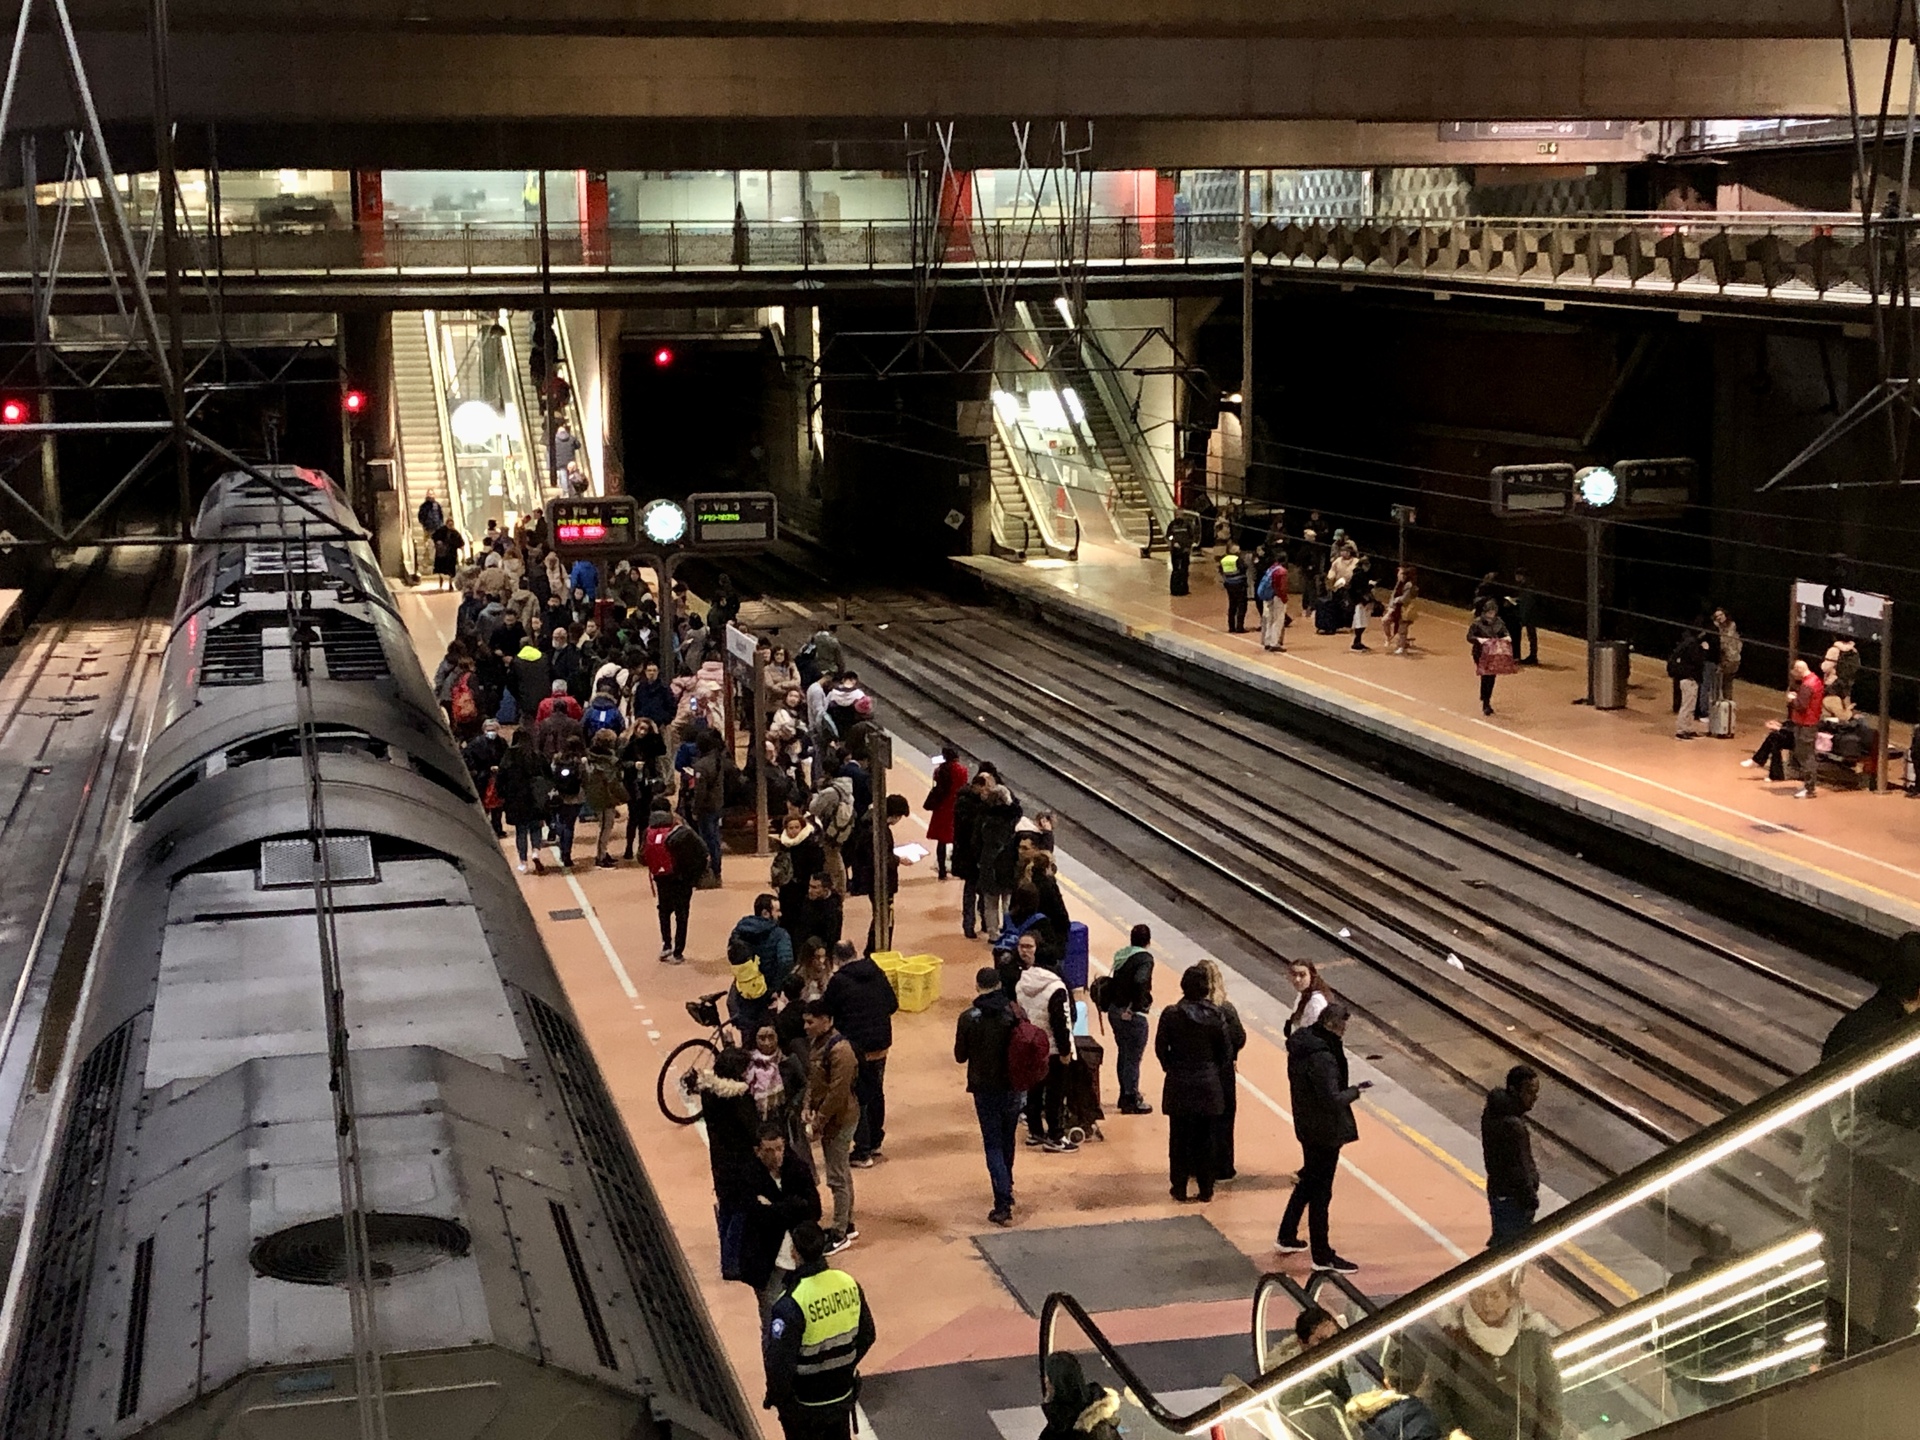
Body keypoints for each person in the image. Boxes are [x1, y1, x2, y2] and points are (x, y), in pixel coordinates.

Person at [1802, 933, 1920, 1358]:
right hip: (1849, 1201)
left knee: (1898, 1316)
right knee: (1854, 1320)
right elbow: (1850, 1123)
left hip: (1896, 1205)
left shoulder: (1906, 1030)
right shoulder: (1866, 1036)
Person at [1398, 1271, 1563, 1440]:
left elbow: (1550, 1399)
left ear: (1510, 1298)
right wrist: (1452, 1432)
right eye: (1479, 1295)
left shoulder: (1532, 1337)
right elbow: (1436, 1392)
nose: (1487, 1303)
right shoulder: (1453, 1334)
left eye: (1495, 1295)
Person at [761, 1221, 875, 1440]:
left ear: (794, 1253)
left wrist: (780, 1400)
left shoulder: (790, 1303)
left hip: (806, 1403)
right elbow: (868, 1335)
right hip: (842, 1394)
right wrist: (843, 1366)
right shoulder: (848, 1283)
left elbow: (779, 1364)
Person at [1277, 1001, 1367, 1272]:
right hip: (1324, 1131)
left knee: (1309, 1182)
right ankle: (1322, 1254)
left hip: (1307, 1124)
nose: (1343, 1032)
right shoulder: (1323, 1056)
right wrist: (1355, 1091)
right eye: (1342, 1027)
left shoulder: (1302, 1046)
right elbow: (1331, 1098)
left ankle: (1287, 1235)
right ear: (1333, 1025)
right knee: (1321, 1191)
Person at [955, 964, 1024, 1226]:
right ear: (998, 985)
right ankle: (1008, 1184)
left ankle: (1002, 1202)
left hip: (984, 1089)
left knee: (993, 1143)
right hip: (1012, 1086)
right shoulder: (1015, 1012)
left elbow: (960, 1056)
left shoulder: (968, 1017)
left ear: (977, 987)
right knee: (1008, 1139)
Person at [1156, 964, 1230, 1203]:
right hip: (1208, 1084)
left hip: (1178, 1082)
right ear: (1206, 988)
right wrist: (1211, 1069)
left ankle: (1179, 1187)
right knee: (1206, 1139)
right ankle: (1206, 1189)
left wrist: (1171, 1067)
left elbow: (1160, 1048)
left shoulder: (1171, 1014)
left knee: (1178, 1138)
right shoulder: (1216, 1016)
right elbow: (1225, 1052)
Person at [824, 945, 899, 1168]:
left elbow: (827, 1010)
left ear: (836, 959)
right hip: (881, 1044)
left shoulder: (838, 982)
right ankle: (876, 1141)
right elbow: (893, 1004)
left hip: (857, 1049)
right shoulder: (876, 971)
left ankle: (863, 1150)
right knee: (877, 1091)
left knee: (859, 1097)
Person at [739, 1124, 822, 1322]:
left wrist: (774, 1208)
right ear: (757, 1152)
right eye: (769, 1150)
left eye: (779, 1149)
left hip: (801, 1255)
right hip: (768, 1261)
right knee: (772, 1321)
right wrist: (793, 1206)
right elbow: (757, 1217)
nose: (776, 1155)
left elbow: (814, 1210)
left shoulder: (798, 1168)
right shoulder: (748, 1175)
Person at [696, 1048, 761, 1291]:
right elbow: (751, 1129)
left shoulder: (708, 1092)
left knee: (726, 1210)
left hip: (720, 1160)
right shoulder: (738, 1097)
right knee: (741, 1210)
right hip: (740, 1162)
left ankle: (727, 1255)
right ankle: (731, 1262)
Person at [803, 1000, 861, 1252]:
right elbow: (813, 1080)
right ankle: (846, 1223)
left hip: (840, 1119)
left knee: (837, 1177)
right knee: (841, 1171)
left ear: (826, 1020)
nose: (806, 1027)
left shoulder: (841, 1051)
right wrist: (807, 1105)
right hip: (829, 1118)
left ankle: (839, 1234)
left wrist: (819, 1120)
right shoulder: (819, 1043)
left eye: (810, 1021)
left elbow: (837, 1092)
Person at [1013, 932, 1078, 1153]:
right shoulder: (1056, 988)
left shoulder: (1022, 982)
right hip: (1052, 1048)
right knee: (1055, 1093)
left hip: (1031, 1045)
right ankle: (1055, 1136)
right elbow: (1061, 1021)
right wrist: (1065, 1050)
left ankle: (1035, 1132)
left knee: (1033, 1090)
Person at [1482, 1065, 1542, 1246]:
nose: (1534, 1098)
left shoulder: (1493, 1111)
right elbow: (1518, 1167)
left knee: (1503, 1242)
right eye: (1530, 1092)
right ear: (1514, 1091)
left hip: (1498, 1192)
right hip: (1514, 1200)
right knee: (1512, 1249)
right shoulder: (1513, 1125)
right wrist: (1531, 1199)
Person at [1200, 958, 1248, 1182]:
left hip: (1197, 1070)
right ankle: (1223, 1167)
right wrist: (1231, 1054)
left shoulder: (1184, 1008)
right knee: (1224, 1118)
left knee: (1198, 1120)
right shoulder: (1225, 1009)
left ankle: (1197, 1165)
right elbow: (1239, 1036)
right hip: (1222, 1071)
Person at [729, 894, 796, 1047]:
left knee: (747, 1034)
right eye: (777, 911)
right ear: (766, 913)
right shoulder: (780, 935)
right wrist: (777, 988)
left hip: (744, 989)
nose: (780, 914)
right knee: (766, 1038)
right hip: (766, 992)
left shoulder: (740, 930)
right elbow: (786, 961)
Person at [642, 806, 707, 963]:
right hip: (682, 879)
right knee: (681, 914)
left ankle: (666, 945)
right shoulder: (683, 832)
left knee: (664, 911)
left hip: (661, 878)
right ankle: (678, 952)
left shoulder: (648, 832)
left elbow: (642, 857)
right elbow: (702, 851)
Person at [1102, 925, 1155, 1115]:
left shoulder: (1121, 955)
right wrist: (1134, 1008)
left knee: (1123, 1053)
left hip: (1115, 1011)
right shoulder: (1145, 959)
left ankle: (1124, 1094)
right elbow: (1140, 981)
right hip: (1130, 1014)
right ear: (1148, 941)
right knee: (1133, 1056)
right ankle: (1131, 1098)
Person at [974, 772, 1022, 936]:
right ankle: (1009, 930)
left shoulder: (984, 817)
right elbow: (1017, 810)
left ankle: (993, 933)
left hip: (988, 863)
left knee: (990, 902)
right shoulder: (1010, 820)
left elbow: (976, 841)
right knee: (1008, 901)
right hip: (1007, 863)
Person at [1037, 1353, 1124, 1440]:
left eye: (1047, 1377)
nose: (1045, 1381)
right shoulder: (1101, 1415)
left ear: (1054, 1384)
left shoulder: (1061, 1427)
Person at [497, 727, 549, 873]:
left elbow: (501, 777)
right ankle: (536, 852)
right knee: (536, 827)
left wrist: (502, 795)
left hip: (515, 800)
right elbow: (548, 776)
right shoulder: (537, 755)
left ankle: (523, 863)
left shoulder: (509, 756)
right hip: (535, 798)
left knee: (521, 831)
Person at [951, 770, 989, 939]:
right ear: (978, 787)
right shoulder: (971, 805)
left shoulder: (962, 800)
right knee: (975, 890)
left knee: (974, 890)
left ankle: (976, 923)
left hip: (967, 854)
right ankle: (973, 924)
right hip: (972, 855)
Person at [924, 744, 969, 881]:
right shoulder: (962, 771)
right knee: (957, 839)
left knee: (941, 841)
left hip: (942, 807)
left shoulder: (939, 770)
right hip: (957, 806)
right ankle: (957, 868)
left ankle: (942, 871)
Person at [1468, 598, 1516, 717]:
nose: (1491, 615)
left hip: (1494, 654)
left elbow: (1505, 633)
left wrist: (1506, 638)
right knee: (1486, 675)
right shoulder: (1477, 623)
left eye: (1493, 613)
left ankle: (1486, 698)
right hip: (1480, 653)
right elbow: (1469, 637)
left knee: (1491, 677)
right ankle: (1485, 701)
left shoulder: (1499, 622)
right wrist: (1479, 639)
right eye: (1489, 612)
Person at [690, 729, 728, 877]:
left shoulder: (702, 765)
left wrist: (695, 809)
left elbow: (700, 791)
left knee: (707, 839)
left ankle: (712, 870)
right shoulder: (718, 758)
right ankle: (717, 868)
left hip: (706, 807)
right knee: (715, 838)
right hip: (717, 803)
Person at [462, 718, 508, 838]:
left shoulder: (502, 743)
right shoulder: (476, 743)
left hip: (497, 779)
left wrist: (500, 768)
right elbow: (467, 757)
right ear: (484, 730)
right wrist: (479, 770)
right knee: (482, 805)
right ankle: (482, 830)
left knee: (498, 806)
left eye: (494, 730)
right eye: (489, 730)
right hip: (482, 778)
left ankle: (497, 828)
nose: (491, 732)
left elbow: (507, 758)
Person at [547, 736, 587, 870]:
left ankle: (557, 832)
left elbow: (551, 774)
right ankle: (567, 855)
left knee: (561, 822)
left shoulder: (557, 758)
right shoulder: (581, 761)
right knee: (570, 825)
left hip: (560, 796)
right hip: (576, 797)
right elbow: (587, 777)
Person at [1284, 959, 1335, 1036]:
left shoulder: (1316, 1001)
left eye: (1302, 975)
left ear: (1311, 975)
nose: (1297, 979)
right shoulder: (1303, 994)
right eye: (1294, 974)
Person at [1257, 552, 1289, 651]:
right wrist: (1284, 598)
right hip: (1277, 597)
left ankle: (1267, 641)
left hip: (1268, 596)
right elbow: (1282, 588)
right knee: (1278, 620)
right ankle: (1274, 643)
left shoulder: (1271, 568)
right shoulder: (1282, 571)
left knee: (1269, 619)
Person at [1384, 566, 1418, 655]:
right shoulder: (1399, 583)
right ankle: (1390, 638)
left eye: (1400, 574)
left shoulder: (1409, 585)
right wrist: (1391, 605)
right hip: (1396, 609)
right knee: (1385, 621)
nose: (1398, 575)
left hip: (1405, 609)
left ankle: (1402, 647)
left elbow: (1405, 599)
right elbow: (1393, 594)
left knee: (1402, 628)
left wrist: (1396, 600)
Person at [1219, 541, 1249, 634]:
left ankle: (1231, 627)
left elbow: (1221, 570)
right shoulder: (1237, 559)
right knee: (1242, 605)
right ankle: (1240, 627)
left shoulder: (1223, 559)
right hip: (1239, 583)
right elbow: (1243, 568)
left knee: (1232, 605)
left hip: (1229, 584)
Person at [1512, 568, 1539, 664]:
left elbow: (1527, 602)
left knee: (1531, 634)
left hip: (1530, 614)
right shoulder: (1526, 586)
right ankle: (1533, 655)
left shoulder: (1528, 587)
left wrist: (1523, 617)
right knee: (1531, 634)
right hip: (1529, 613)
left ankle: (1533, 656)